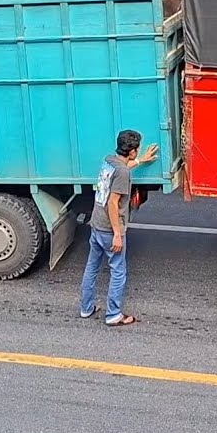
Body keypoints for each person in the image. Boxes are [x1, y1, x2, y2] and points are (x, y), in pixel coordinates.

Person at [79, 129, 158, 326]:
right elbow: (113, 203)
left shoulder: (109, 161)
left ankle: (86, 308)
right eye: (138, 150)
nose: (138, 152)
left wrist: (142, 161)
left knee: (92, 267)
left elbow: (122, 170)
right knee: (118, 271)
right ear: (131, 151)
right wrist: (117, 234)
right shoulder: (122, 172)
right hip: (108, 229)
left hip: (96, 225)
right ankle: (113, 315)